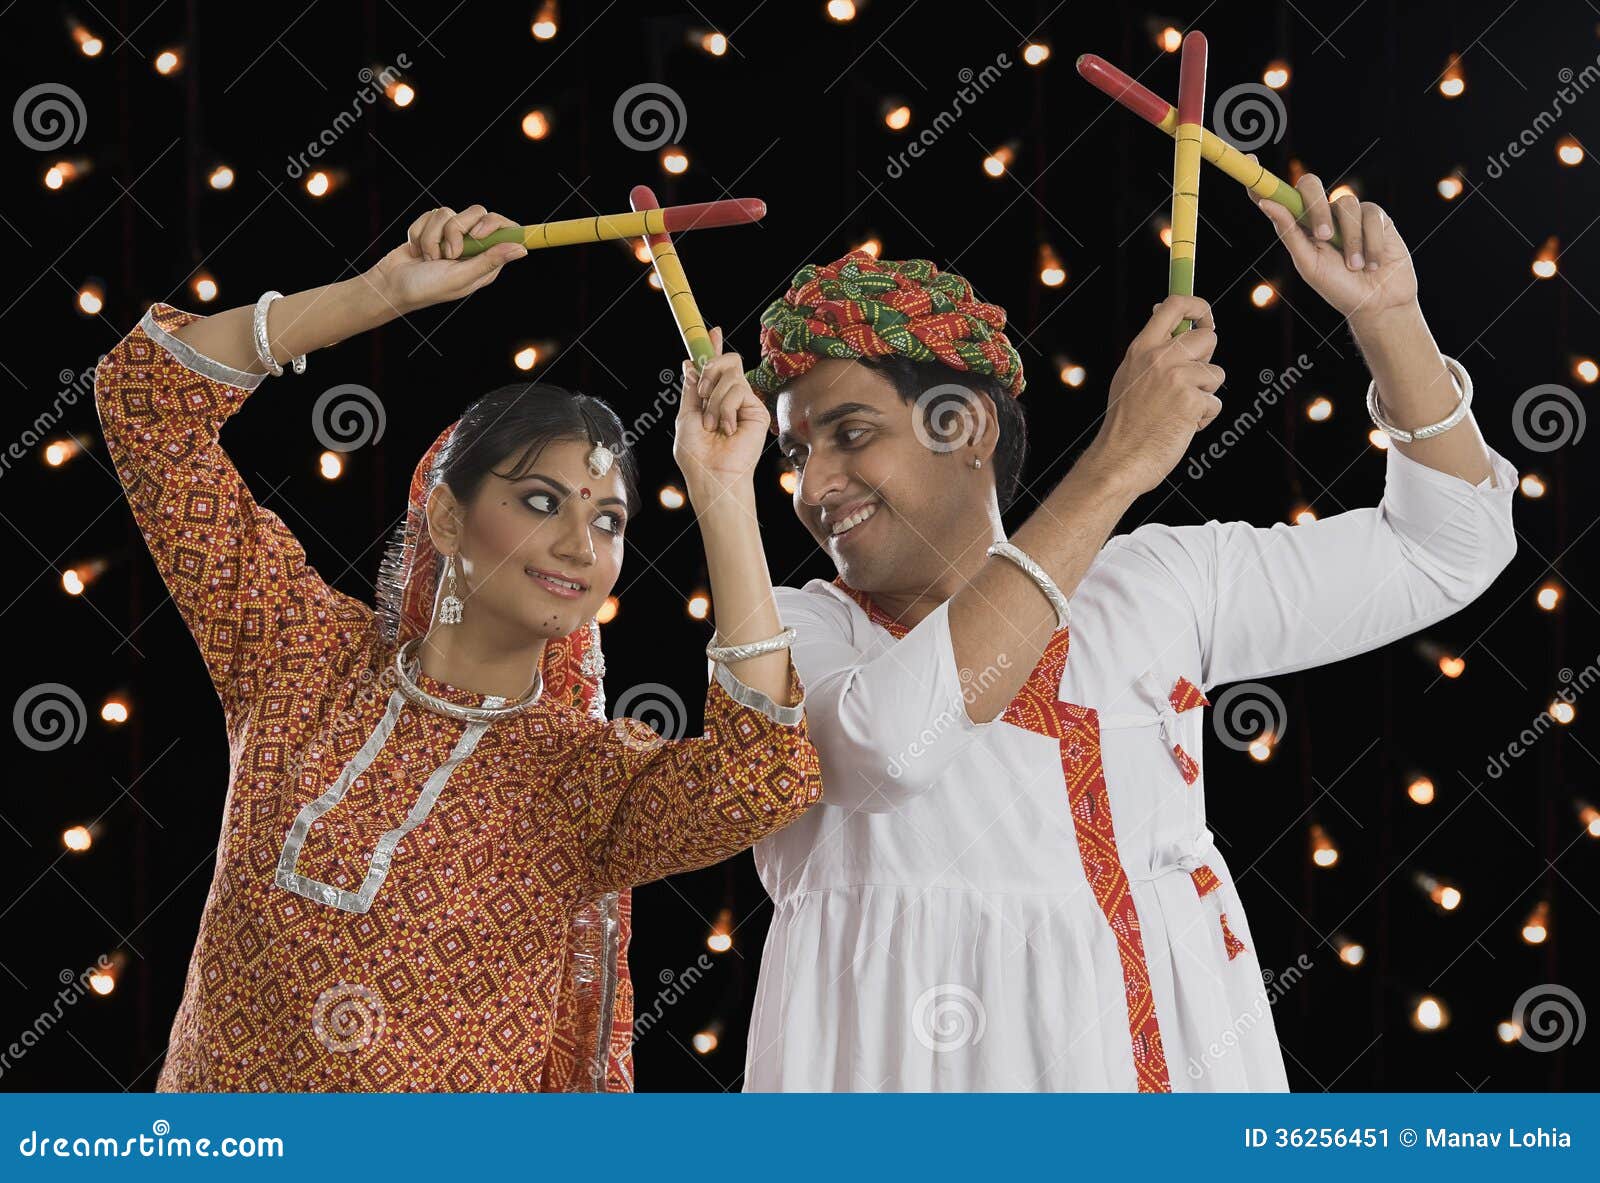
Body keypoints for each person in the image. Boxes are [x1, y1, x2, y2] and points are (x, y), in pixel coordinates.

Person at [736, 174, 1518, 1091]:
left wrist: (1391, 321)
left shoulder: (1155, 588)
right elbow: (891, 748)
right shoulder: (793, 632)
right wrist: (1116, 463)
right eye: (795, 454)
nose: (813, 485)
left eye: (849, 433)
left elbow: (1449, 549)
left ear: (966, 425)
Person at [92, 202, 819, 1091]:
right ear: (446, 512)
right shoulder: (298, 651)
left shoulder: (581, 777)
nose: (578, 546)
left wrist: (722, 489)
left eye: (609, 520)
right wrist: (377, 292)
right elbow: (143, 398)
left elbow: (764, 779)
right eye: (541, 501)